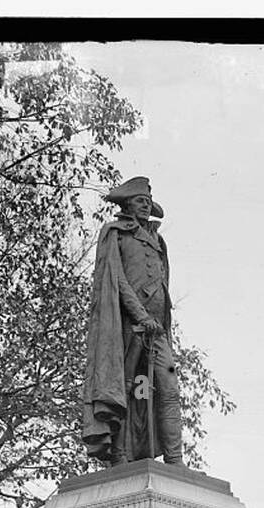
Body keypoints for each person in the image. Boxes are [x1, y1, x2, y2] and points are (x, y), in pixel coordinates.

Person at [82, 176, 184, 466]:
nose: (145, 206)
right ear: (127, 204)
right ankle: (120, 456)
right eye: (140, 201)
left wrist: (157, 319)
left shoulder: (157, 240)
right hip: (127, 326)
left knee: (167, 388)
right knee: (126, 388)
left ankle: (175, 459)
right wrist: (140, 315)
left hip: (158, 329)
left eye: (148, 202)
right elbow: (116, 279)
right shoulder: (116, 234)